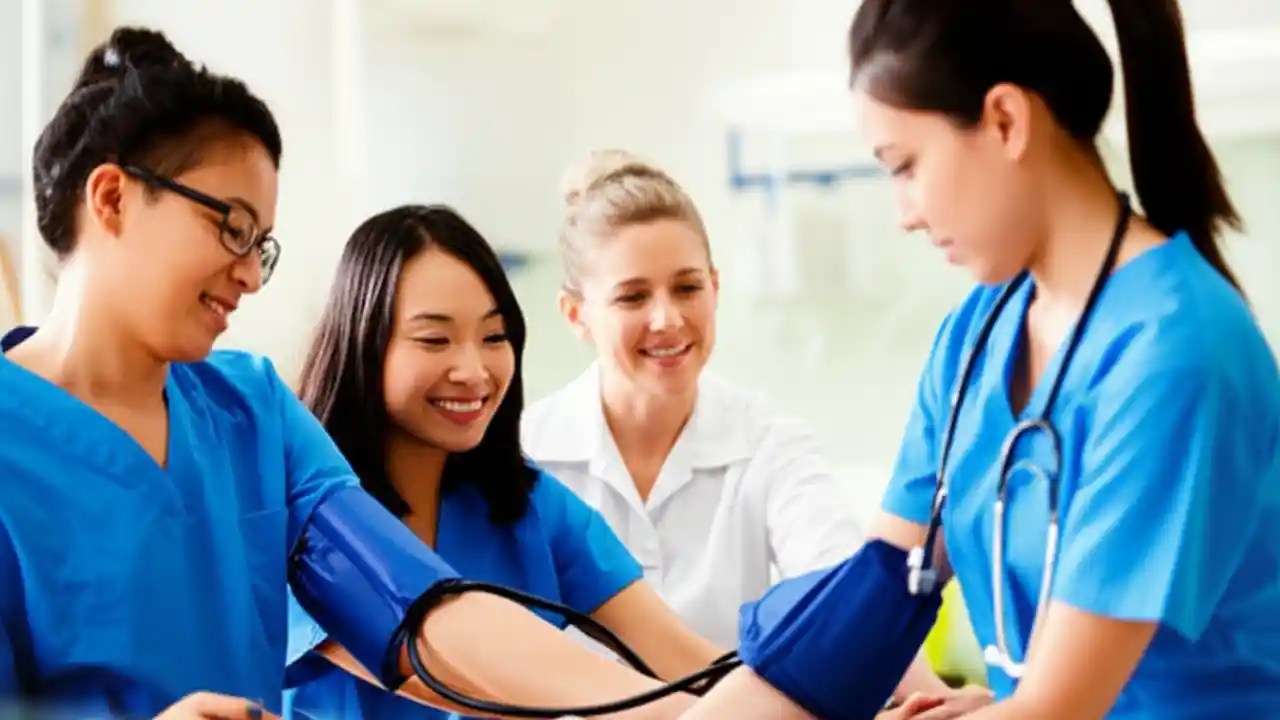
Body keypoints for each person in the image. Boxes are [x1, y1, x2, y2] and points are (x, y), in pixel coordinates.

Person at [0, 26, 701, 720]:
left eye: (262, 245)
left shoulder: (252, 412)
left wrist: (688, 713)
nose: (249, 274)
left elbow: (417, 615)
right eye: (233, 227)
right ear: (114, 197)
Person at [683, 0, 1280, 718]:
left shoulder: (1174, 352)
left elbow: (1055, 711)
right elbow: (872, 600)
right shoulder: (978, 335)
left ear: (1005, 121)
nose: (903, 211)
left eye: (905, 166)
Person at [521, 150, 988, 712]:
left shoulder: (769, 441)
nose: (667, 318)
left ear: (715, 288)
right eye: (633, 296)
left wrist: (936, 700)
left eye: (687, 287)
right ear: (576, 315)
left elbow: (841, 596)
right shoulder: (523, 459)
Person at [284, 204, 726, 719]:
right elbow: (457, 674)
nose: (474, 372)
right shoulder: (308, 521)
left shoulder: (531, 506)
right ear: (362, 344)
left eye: (494, 337)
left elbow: (685, 658)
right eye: (434, 340)